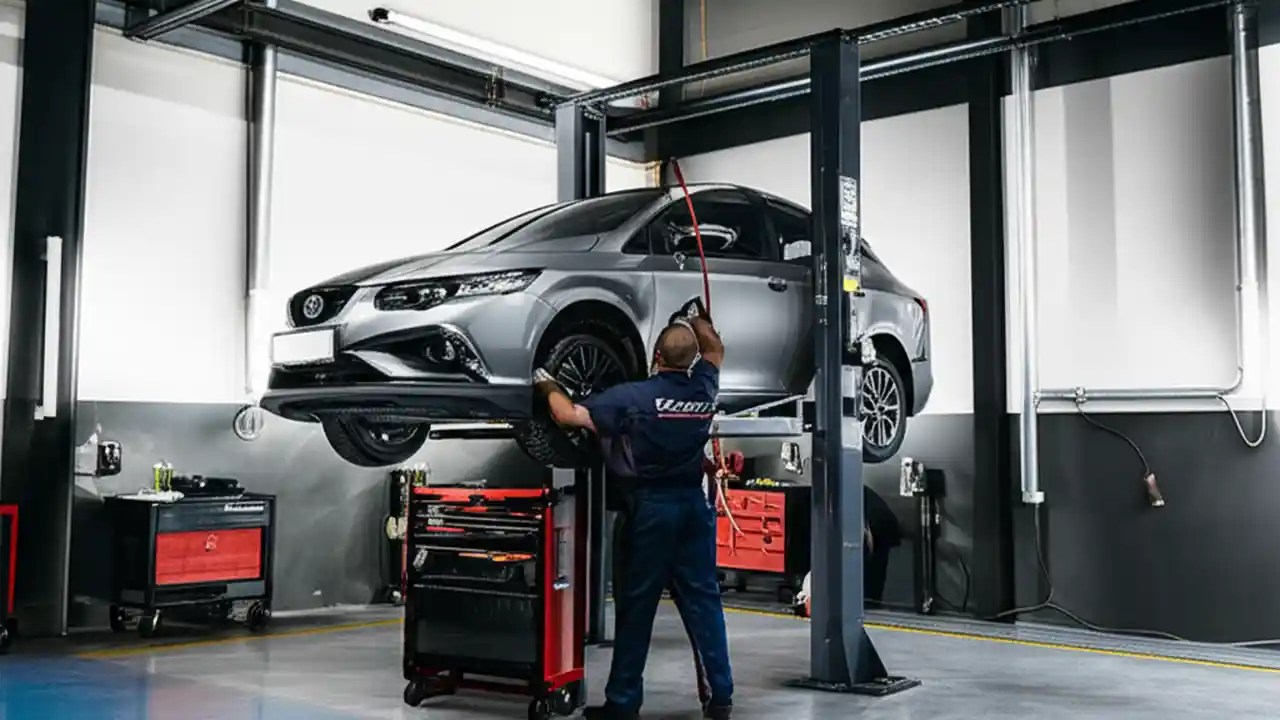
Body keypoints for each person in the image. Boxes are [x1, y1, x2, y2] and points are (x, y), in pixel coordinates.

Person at [534, 304, 734, 720]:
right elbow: (715, 348)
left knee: (637, 608)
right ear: (691, 360)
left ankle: (623, 705)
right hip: (693, 510)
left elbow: (566, 414)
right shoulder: (704, 388)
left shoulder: (632, 397)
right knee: (704, 603)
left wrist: (545, 381)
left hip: (652, 512)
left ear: (656, 357)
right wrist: (695, 316)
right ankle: (721, 698)